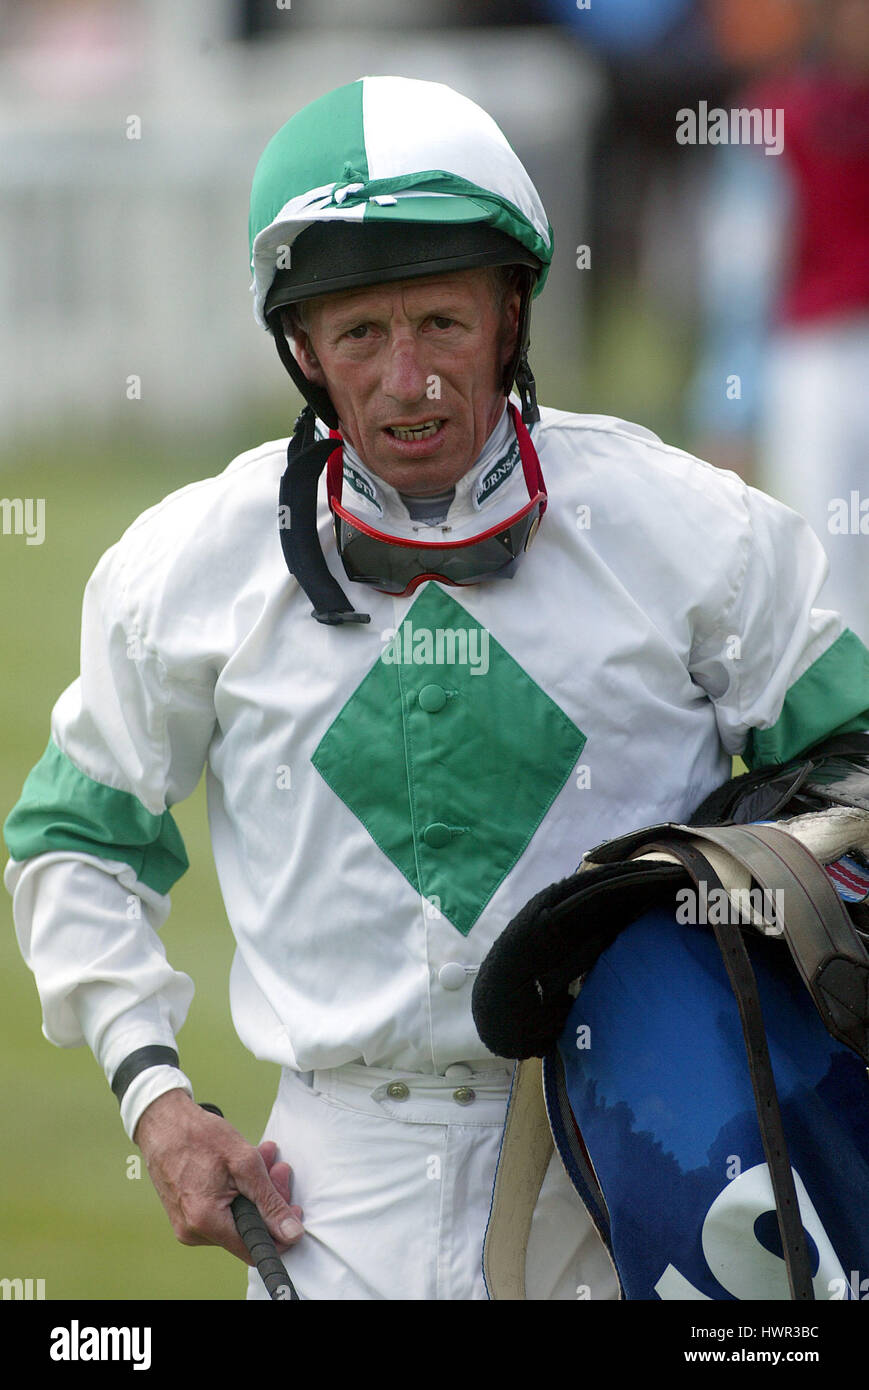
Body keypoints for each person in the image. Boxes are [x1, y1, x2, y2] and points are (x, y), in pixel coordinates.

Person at [5, 75, 869, 1301]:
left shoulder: (692, 530)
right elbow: (74, 841)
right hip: (328, 1193)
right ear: (301, 348)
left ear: (510, 316)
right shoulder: (184, 566)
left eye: (443, 326)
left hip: (642, 1154)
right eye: (361, 334)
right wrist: (153, 1096)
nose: (408, 380)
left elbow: (853, 762)